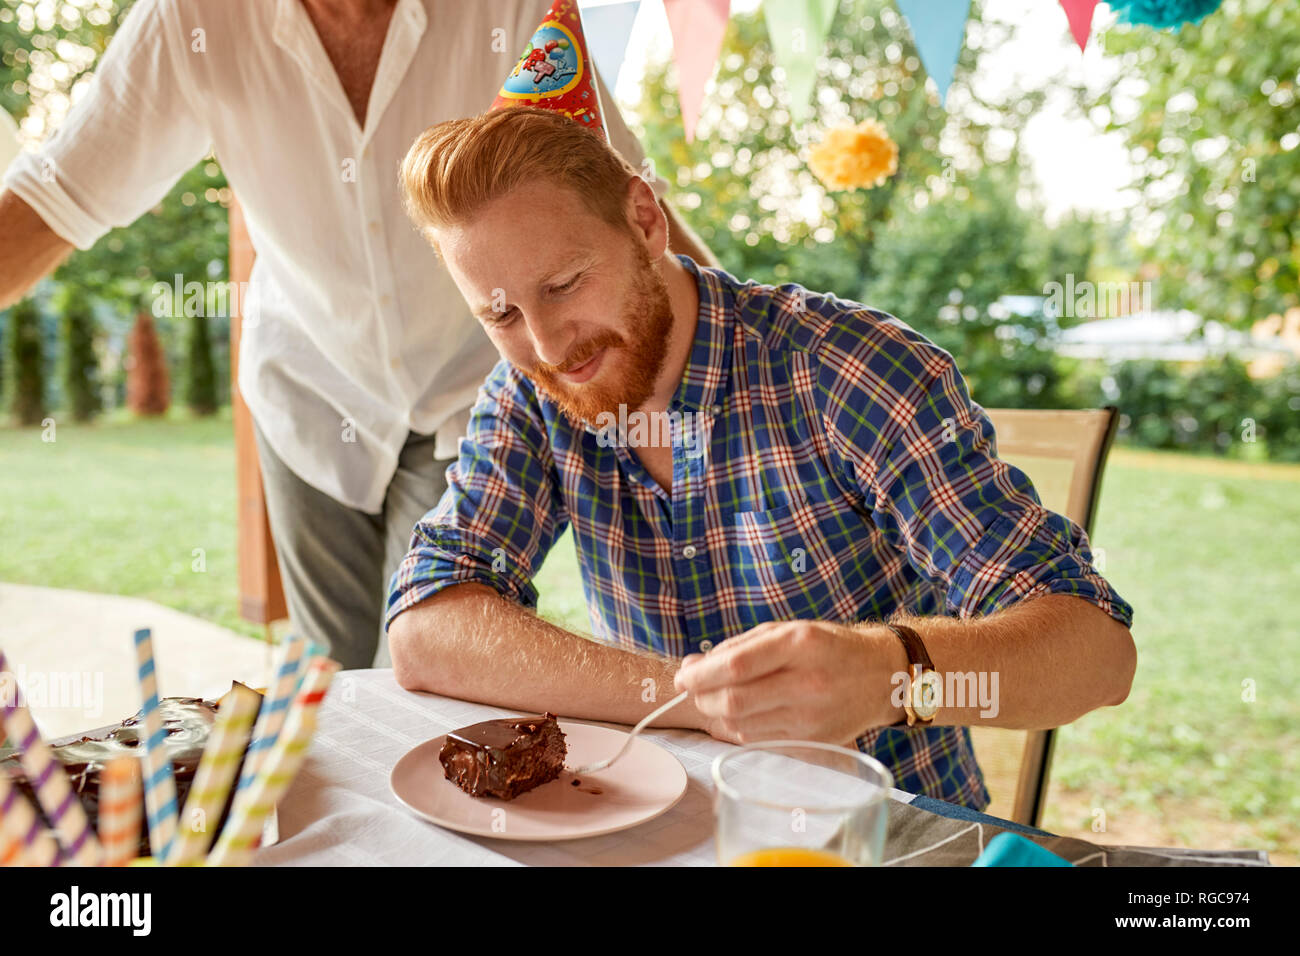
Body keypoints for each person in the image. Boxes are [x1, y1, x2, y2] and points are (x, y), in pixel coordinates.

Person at [385, 106, 1138, 809]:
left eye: (564, 283)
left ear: (645, 221)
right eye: (502, 314)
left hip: (885, 838)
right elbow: (424, 629)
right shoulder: (532, 392)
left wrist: (897, 679)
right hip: (662, 828)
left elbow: (1098, 659)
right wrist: (687, 694)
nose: (548, 346)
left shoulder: (851, 373)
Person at [0, 0, 715, 669]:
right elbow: (56, 193)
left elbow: (618, 190)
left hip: (463, 396)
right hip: (310, 392)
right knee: (325, 678)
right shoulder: (194, 19)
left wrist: (743, 338)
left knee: (430, 656)